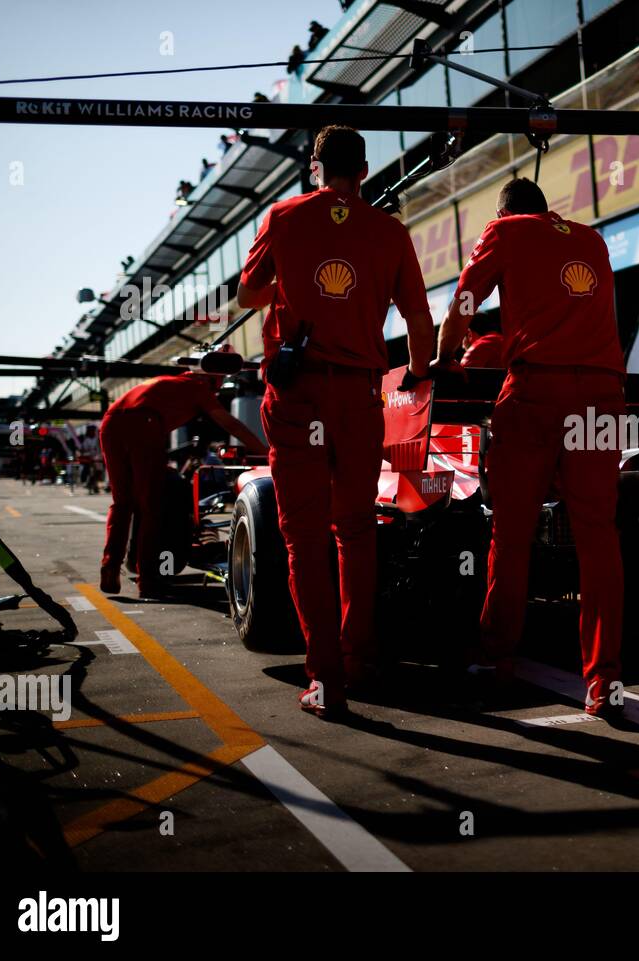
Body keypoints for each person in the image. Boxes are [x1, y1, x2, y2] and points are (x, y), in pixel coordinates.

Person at [237, 124, 433, 718]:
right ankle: (360, 659)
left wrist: (289, 287)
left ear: (317, 167)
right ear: (365, 172)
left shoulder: (284, 215)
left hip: (297, 396)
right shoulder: (390, 230)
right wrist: (419, 374)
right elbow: (420, 323)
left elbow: (248, 294)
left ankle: (325, 680)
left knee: (302, 538)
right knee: (356, 532)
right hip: (358, 398)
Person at [435, 177, 626, 718]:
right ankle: (604, 681)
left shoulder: (505, 230)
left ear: (503, 212)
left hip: (537, 390)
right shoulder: (591, 239)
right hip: (602, 392)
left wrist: (446, 355)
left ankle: (498, 659)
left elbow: (466, 299)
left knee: (511, 531)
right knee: (598, 535)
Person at [100, 372, 265, 599]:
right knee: (152, 506)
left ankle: (110, 566)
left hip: (110, 422)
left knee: (122, 502)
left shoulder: (168, 383)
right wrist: (266, 452)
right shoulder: (198, 388)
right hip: (144, 422)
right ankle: (148, 582)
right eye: (216, 388)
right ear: (212, 382)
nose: (215, 394)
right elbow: (230, 424)